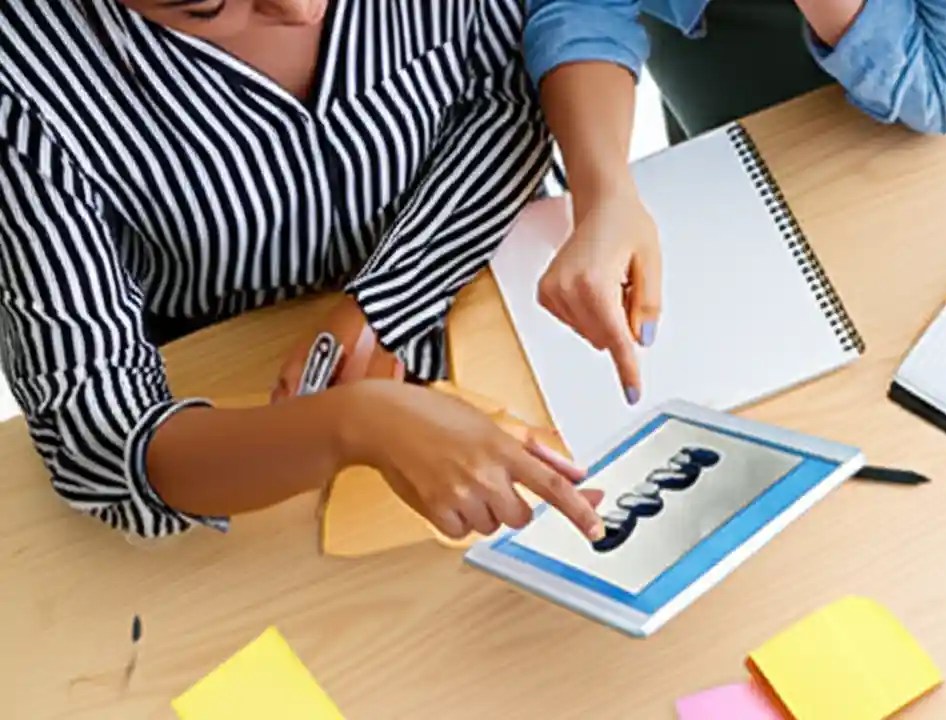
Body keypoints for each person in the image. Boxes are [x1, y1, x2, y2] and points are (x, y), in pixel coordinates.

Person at [0, 0, 608, 543]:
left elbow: (506, 98)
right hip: (234, 394)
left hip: (497, 289)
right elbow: (103, 439)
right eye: (206, 8)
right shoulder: (22, 83)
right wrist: (350, 425)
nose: (303, 11)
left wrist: (386, 300)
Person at [522, 0, 946, 404]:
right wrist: (603, 192)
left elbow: (944, 88)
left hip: (912, 174)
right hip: (726, 143)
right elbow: (581, 9)